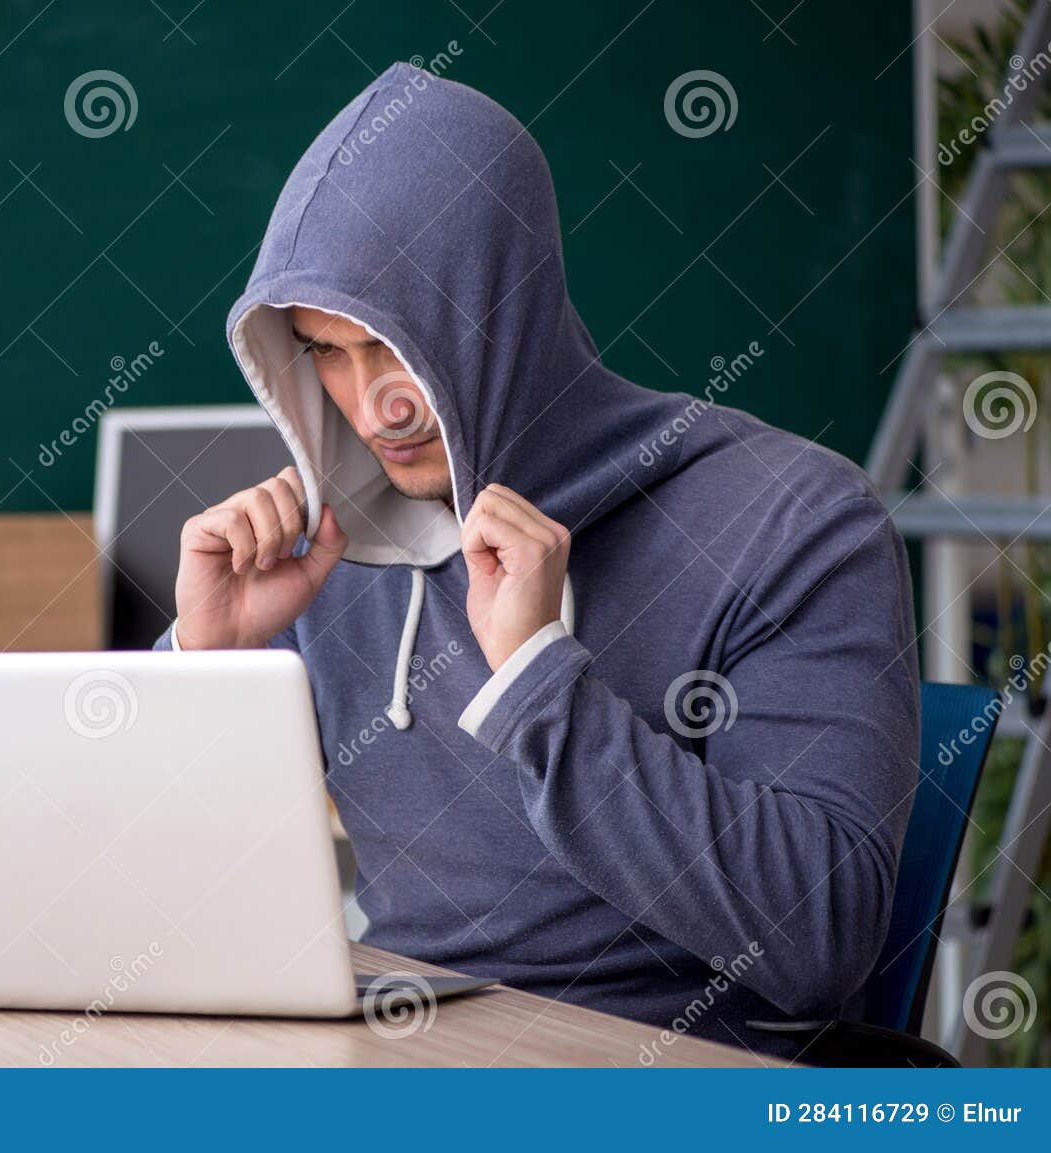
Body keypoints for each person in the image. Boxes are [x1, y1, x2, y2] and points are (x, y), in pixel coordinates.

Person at [159, 64, 918, 1059]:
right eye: (325, 354)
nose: (372, 405)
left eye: (395, 347)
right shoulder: (320, 550)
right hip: (398, 1063)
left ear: (500, 319)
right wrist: (198, 674)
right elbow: (170, 920)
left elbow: (821, 942)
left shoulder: (791, 518)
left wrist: (537, 681)